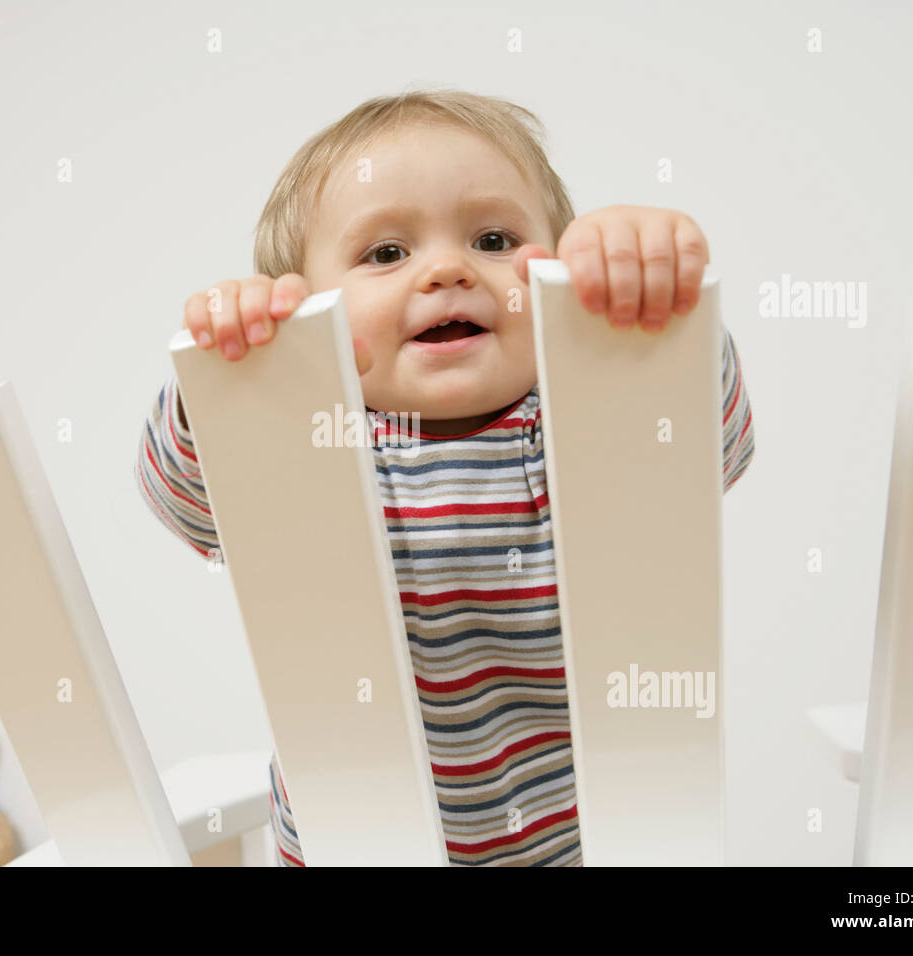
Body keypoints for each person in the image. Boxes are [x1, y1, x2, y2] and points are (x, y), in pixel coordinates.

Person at [135, 88, 755, 865]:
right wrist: (235, 386)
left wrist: (649, 312)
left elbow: (708, 449)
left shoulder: (585, 428)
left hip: (585, 845)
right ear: (309, 307)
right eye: (386, 254)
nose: (448, 270)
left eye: (494, 238)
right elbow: (185, 501)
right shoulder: (322, 449)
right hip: (350, 846)